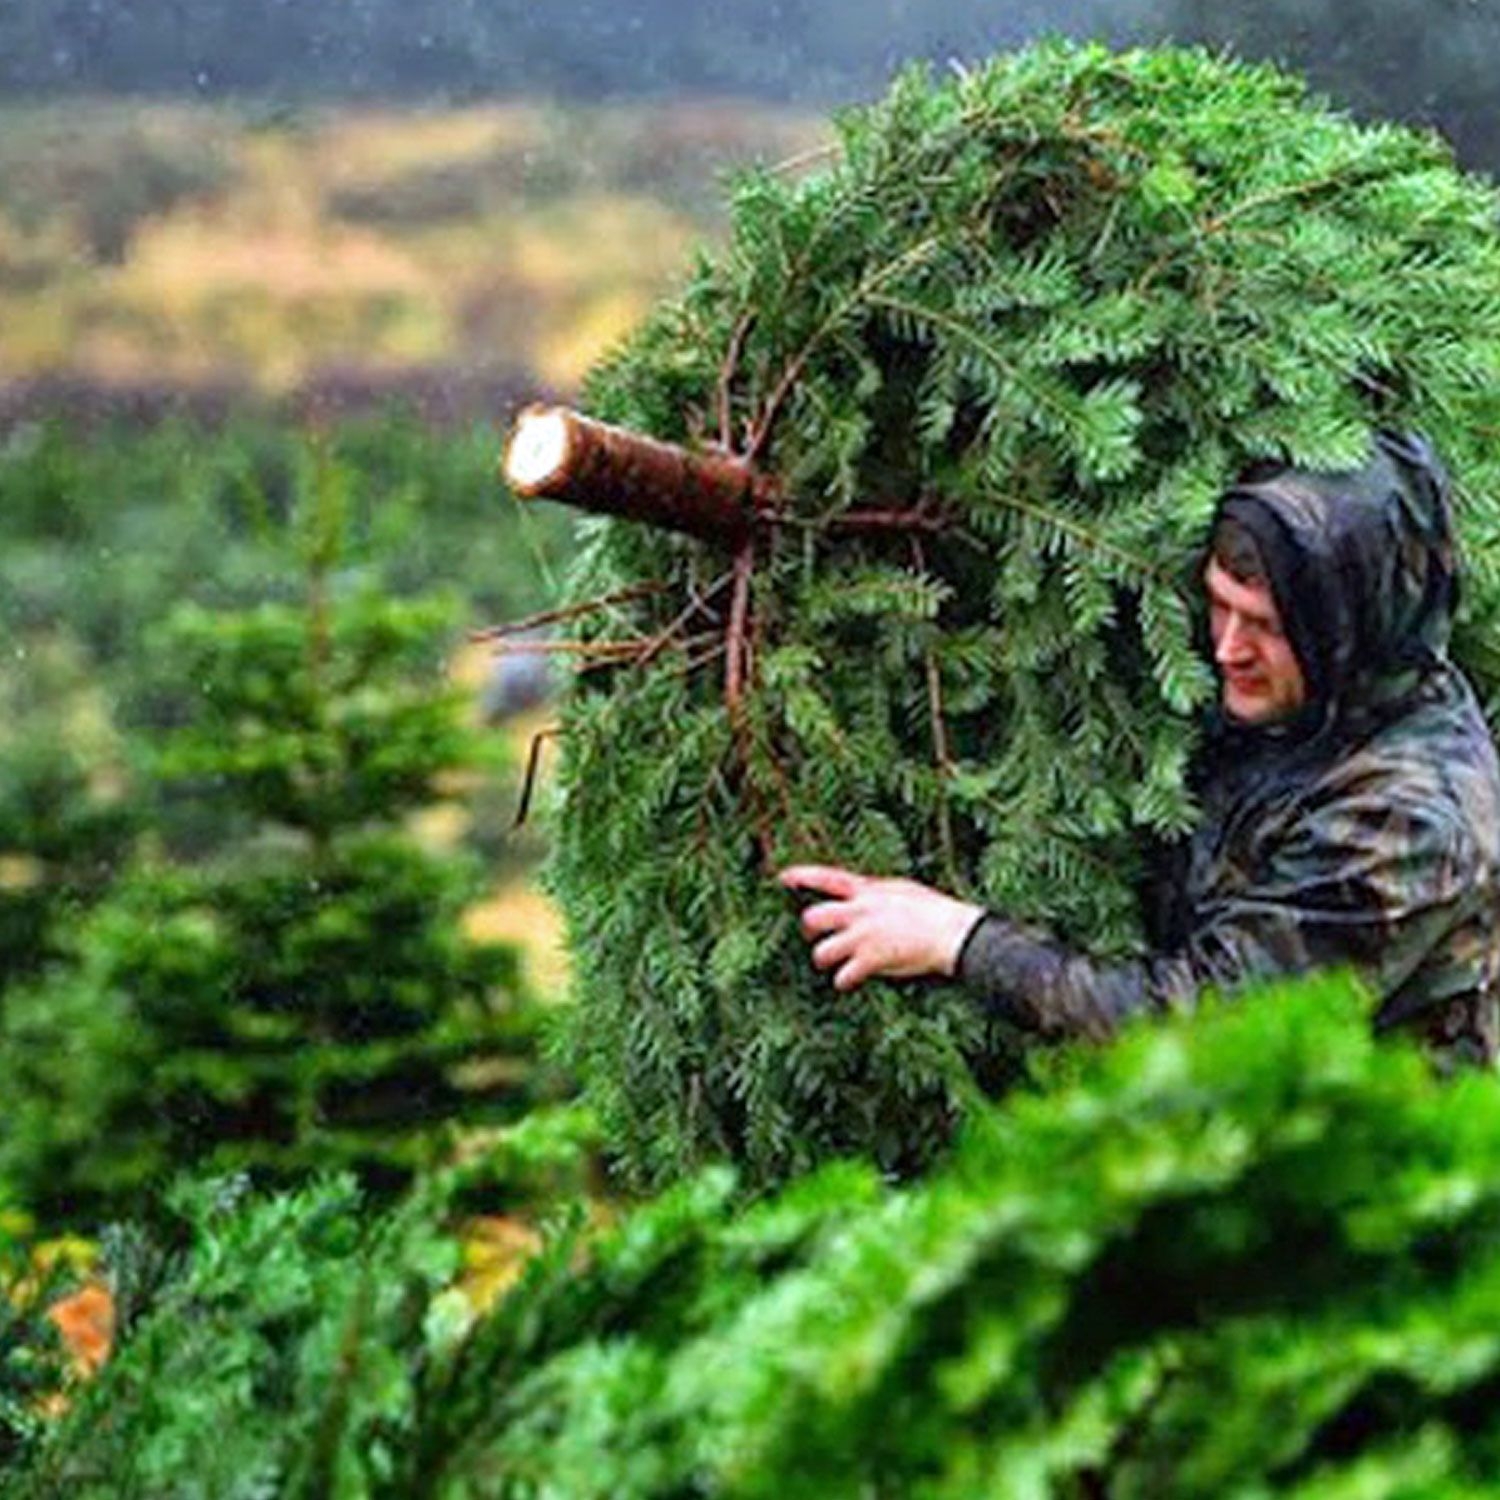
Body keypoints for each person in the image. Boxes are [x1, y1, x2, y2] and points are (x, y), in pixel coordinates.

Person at [781, 431, 1500, 1067]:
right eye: (1217, 604)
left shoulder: (1411, 821)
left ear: (1350, 631)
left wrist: (960, 940)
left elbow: (1208, 1031)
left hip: (1367, 1184)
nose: (1224, 649)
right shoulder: (1315, 703)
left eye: (1265, 627)